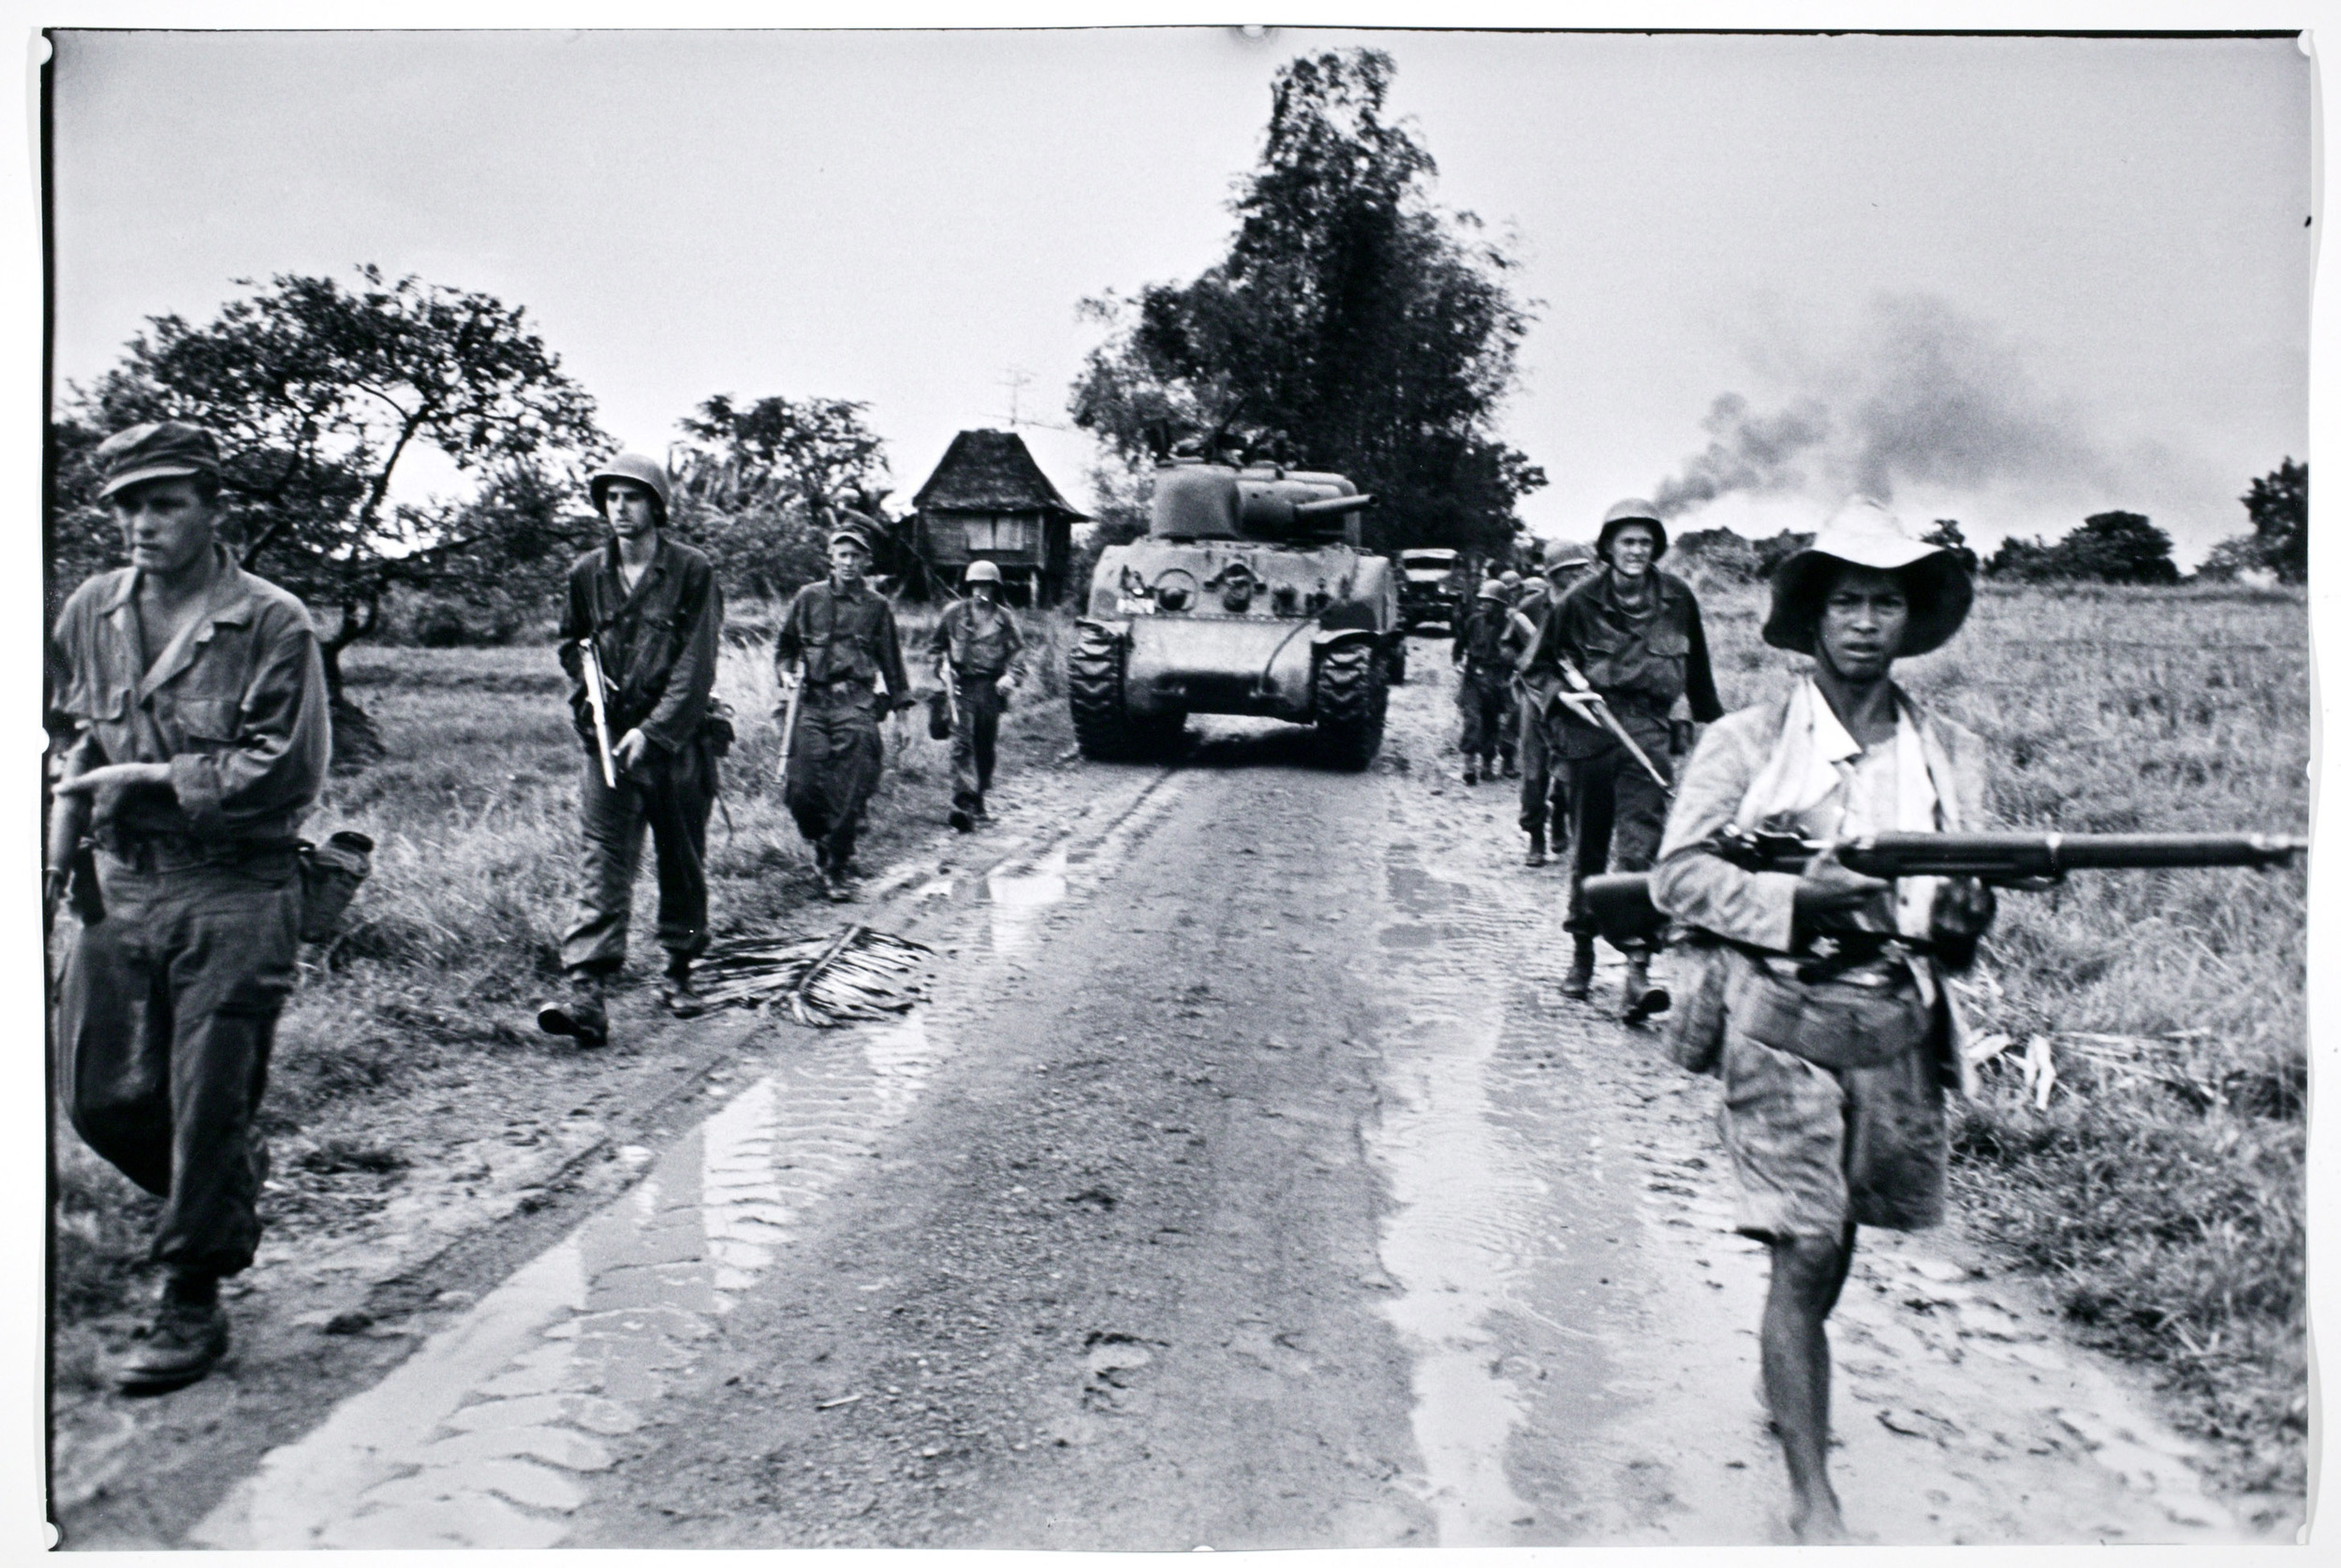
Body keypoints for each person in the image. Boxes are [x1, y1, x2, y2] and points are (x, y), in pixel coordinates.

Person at [1650, 498, 1993, 1542]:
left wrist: (1967, 914)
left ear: (1910, 618)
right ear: (1813, 617)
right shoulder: (1745, 743)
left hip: (1893, 1022)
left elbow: (1963, 926)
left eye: (1886, 599)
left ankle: (1786, 1365)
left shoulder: (1951, 755)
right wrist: (1802, 898)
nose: (1864, 620)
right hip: (1778, 1022)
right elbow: (1676, 877)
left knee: (1837, 1245)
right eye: (1845, 598)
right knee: (1802, 1248)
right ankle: (1813, 1499)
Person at [47, 422, 331, 1392]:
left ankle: (191, 1293)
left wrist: (150, 772)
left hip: (233, 885)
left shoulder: (272, 621)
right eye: (127, 505)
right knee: (97, 1099)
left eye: (163, 502)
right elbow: (64, 734)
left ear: (214, 509)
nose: (141, 523)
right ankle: (223, 1200)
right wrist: (57, 837)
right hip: (118, 880)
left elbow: (282, 767)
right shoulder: (90, 609)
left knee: (208, 1095)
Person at [538, 454, 725, 1047]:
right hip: (608, 738)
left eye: (633, 497)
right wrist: (590, 693)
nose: (620, 508)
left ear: (657, 506)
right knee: (602, 857)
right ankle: (586, 991)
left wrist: (658, 729)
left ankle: (678, 969)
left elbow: (696, 666)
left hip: (676, 743)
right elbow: (572, 641)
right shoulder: (586, 573)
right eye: (611, 497)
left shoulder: (693, 571)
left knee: (681, 856)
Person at [1540, 499, 1723, 1016]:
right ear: (1608, 547)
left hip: (1648, 732)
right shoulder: (1578, 600)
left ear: (1656, 548)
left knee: (1642, 850)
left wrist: (1718, 727)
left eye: (1645, 542)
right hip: (1591, 732)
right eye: (1627, 541)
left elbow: (1700, 671)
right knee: (1589, 848)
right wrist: (1564, 695)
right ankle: (1581, 955)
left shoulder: (1678, 598)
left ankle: (1638, 972)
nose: (1636, 551)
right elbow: (1538, 667)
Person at [777, 520, 917, 901]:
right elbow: (785, 648)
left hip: (855, 703)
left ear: (867, 560)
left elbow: (893, 663)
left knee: (851, 786)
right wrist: (787, 674)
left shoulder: (877, 607)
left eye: (856, 555)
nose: (849, 562)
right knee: (801, 787)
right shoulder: (808, 598)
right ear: (831, 558)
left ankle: (837, 864)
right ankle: (822, 842)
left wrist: (903, 717)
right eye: (842, 554)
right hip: (810, 702)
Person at [1510, 541, 1600, 867]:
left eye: (1582, 569)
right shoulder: (1531, 607)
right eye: (1571, 571)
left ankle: (1560, 817)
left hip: (1574, 703)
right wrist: (1525, 660)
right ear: (1553, 574)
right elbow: (1510, 646)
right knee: (1533, 774)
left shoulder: (1590, 608)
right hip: (1536, 699)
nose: (1580, 575)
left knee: (1570, 773)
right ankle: (1535, 836)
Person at [930, 560, 1026, 832]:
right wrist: (942, 668)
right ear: (968, 586)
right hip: (961, 687)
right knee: (962, 745)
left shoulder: (1004, 618)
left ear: (995, 588)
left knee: (984, 747)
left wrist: (1012, 675)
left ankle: (979, 797)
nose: (980, 589)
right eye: (975, 584)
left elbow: (1018, 650)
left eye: (985, 584)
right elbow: (935, 647)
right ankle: (963, 805)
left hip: (990, 689)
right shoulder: (954, 614)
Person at [1450, 578, 1514, 785]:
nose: (1484, 605)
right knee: (1473, 721)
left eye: (1489, 602)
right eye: (1483, 601)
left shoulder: (1510, 626)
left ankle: (1487, 764)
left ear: (1500, 605)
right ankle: (1469, 765)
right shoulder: (1473, 621)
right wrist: (1458, 661)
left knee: (1491, 723)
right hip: (1473, 678)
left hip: (1497, 679)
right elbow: (1460, 644)